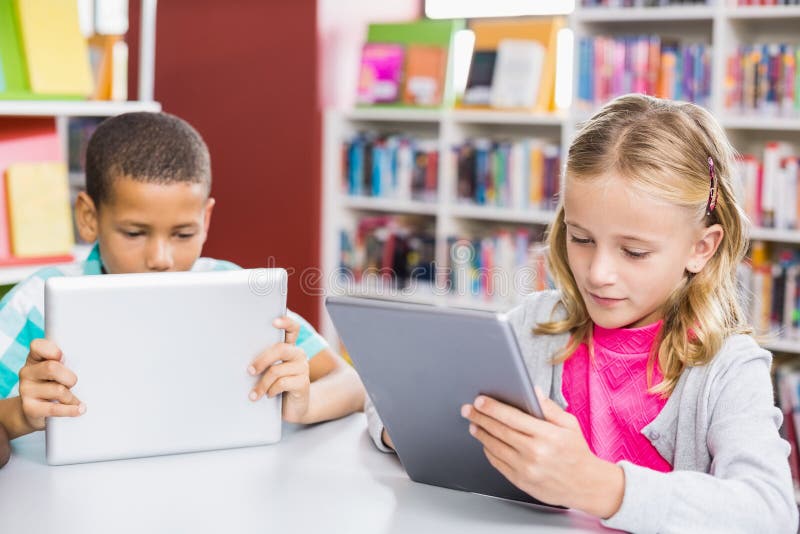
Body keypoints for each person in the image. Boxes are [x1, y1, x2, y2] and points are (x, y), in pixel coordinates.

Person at [367, 94, 798, 532]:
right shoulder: (536, 326)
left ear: (700, 248)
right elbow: (394, 402)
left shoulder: (726, 367)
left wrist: (599, 486)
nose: (599, 273)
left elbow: (772, 513)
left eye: (634, 251)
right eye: (582, 238)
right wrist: (404, 429)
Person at [0, 111, 365, 449]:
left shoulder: (234, 293)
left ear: (205, 220)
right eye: (133, 233)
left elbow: (350, 382)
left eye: (183, 234)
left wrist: (303, 404)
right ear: (88, 217)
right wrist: (19, 415)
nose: (161, 259)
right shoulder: (35, 302)